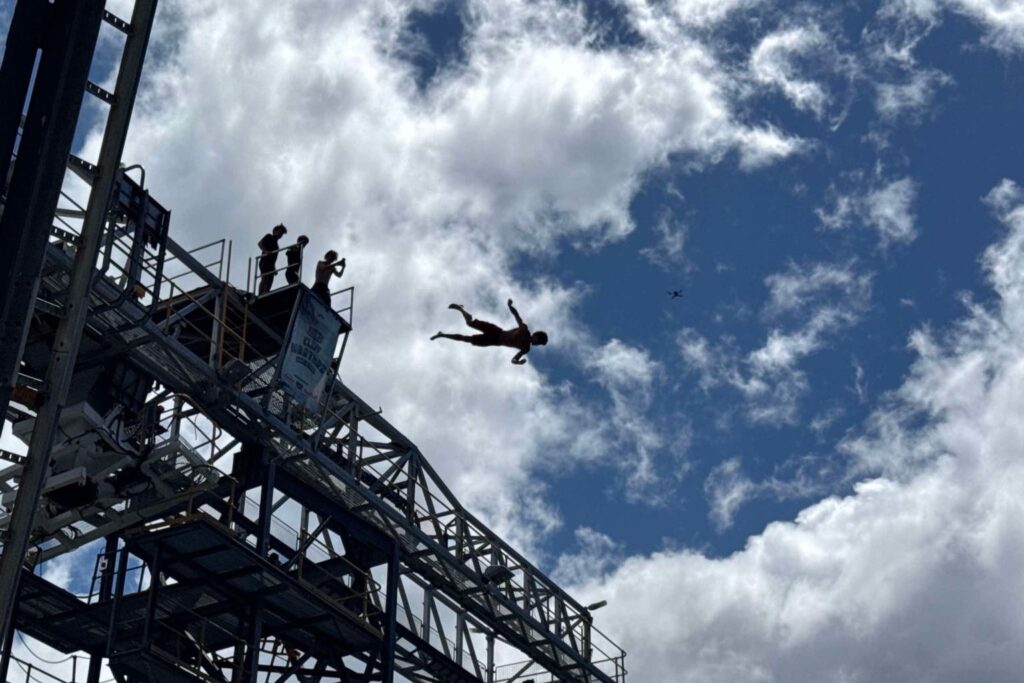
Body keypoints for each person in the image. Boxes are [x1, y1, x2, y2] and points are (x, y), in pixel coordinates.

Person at [431, 299, 548, 365]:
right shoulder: (524, 329)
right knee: (469, 323)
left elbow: (513, 360)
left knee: (466, 339)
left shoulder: (526, 348)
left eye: (540, 344)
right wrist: (509, 305)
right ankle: (461, 309)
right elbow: (516, 315)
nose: (538, 344)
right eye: (540, 341)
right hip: (497, 332)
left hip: (494, 341)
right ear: (536, 335)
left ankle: (442, 335)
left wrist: (518, 362)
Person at [257, 223, 287, 294]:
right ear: (274, 231)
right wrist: (266, 251)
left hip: (271, 265)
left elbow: (274, 260)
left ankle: (265, 297)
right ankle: (259, 295)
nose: (280, 235)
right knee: (264, 279)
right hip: (264, 261)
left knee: (269, 284)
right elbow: (260, 243)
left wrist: (274, 268)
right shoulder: (269, 236)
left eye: (282, 234)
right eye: (280, 232)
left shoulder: (277, 246)